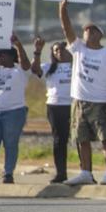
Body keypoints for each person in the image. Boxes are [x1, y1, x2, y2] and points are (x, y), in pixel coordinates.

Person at [58, 0, 106, 187]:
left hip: (101, 102)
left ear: (99, 34)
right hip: (79, 102)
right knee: (82, 138)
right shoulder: (78, 48)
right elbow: (66, 28)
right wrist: (62, 8)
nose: (87, 32)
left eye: (91, 30)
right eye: (86, 30)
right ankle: (86, 172)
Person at [31, 38, 74, 184]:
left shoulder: (77, 65)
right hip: (56, 106)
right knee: (59, 140)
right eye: (56, 50)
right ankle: (61, 173)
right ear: (53, 54)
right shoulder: (49, 67)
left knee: (81, 139)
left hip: (74, 106)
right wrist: (37, 52)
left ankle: (86, 172)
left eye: (63, 49)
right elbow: (35, 69)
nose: (60, 52)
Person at [0, 37, 35, 184]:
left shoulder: (20, 70)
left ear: (12, 56)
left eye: (2, 54)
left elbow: (26, 64)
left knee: (10, 143)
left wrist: (19, 44)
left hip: (14, 112)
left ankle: (8, 173)